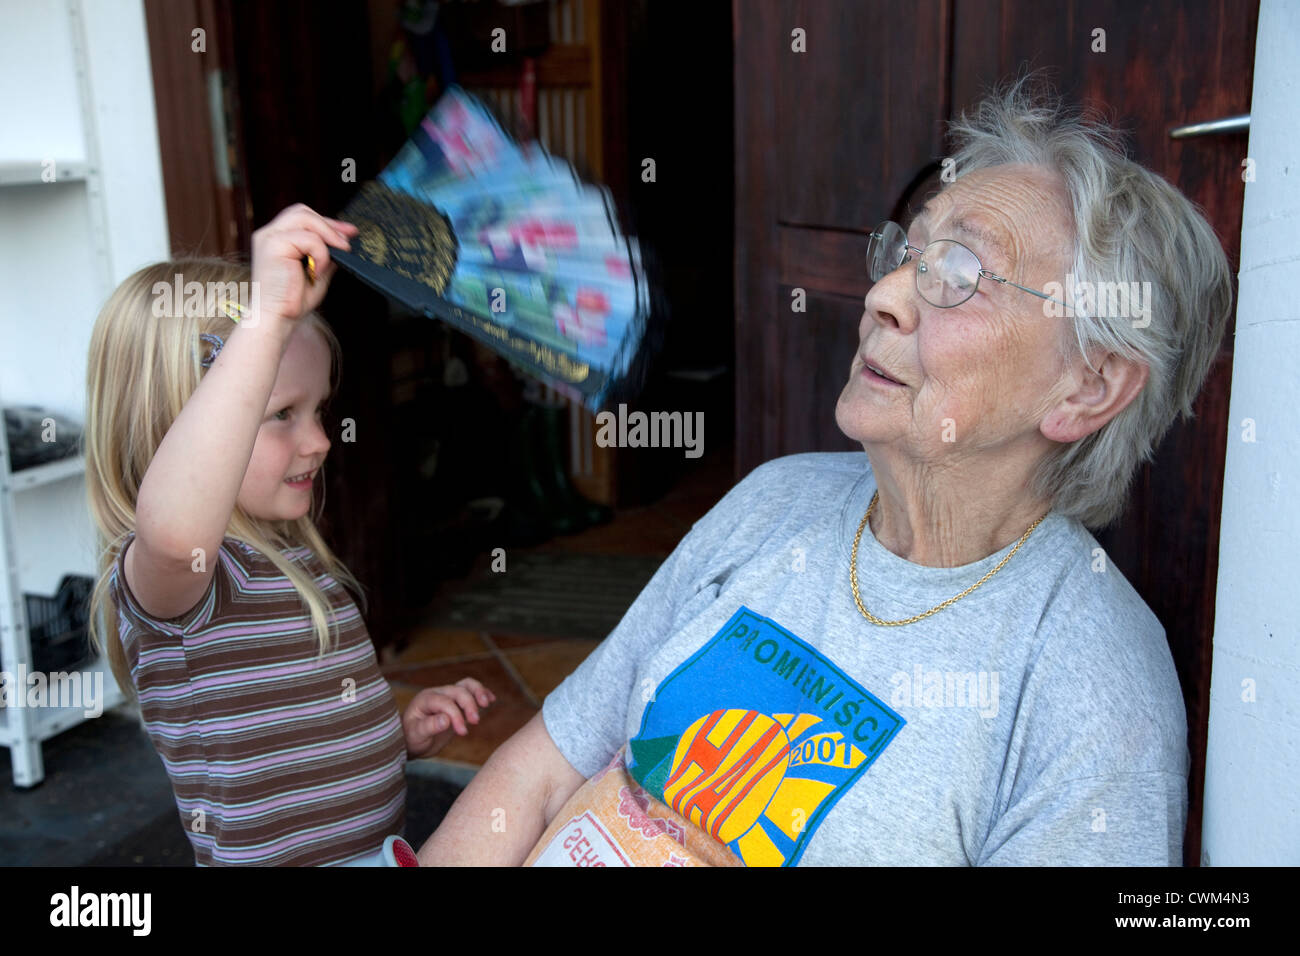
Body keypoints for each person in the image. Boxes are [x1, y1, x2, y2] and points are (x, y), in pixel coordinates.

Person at [417, 78, 1233, 866]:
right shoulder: (778, 500)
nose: (883, 295)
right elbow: (540, 771)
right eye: (907, 254)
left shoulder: (1090, 682)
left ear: (1087, 386)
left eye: (958, 276)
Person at [85, 205, 495, 866]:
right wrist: (266, 320)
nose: (321, 440)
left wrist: (397, 735)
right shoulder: (183, 577)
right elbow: (173, 528)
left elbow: (301, 727)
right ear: (175, 429)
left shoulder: (292, 557)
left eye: (318, 410)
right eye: (281, 414)